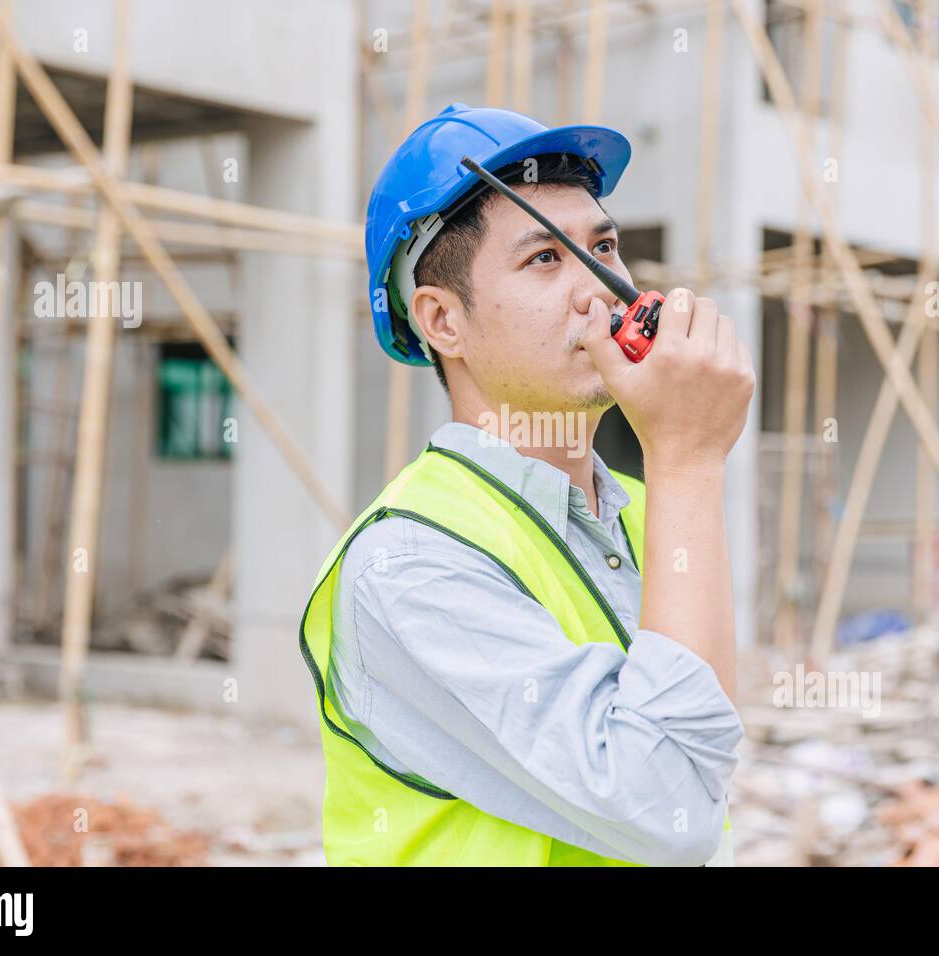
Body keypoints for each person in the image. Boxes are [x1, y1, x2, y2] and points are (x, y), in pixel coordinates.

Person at [299, 103, 756, 866]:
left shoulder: (644, 513)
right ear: (444, 321)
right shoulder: (411, 564)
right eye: (545, 259)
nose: (600, 289)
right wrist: (685, 456)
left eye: (603, 245)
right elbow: (668, 807)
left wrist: (680, 470)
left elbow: (706, 769)